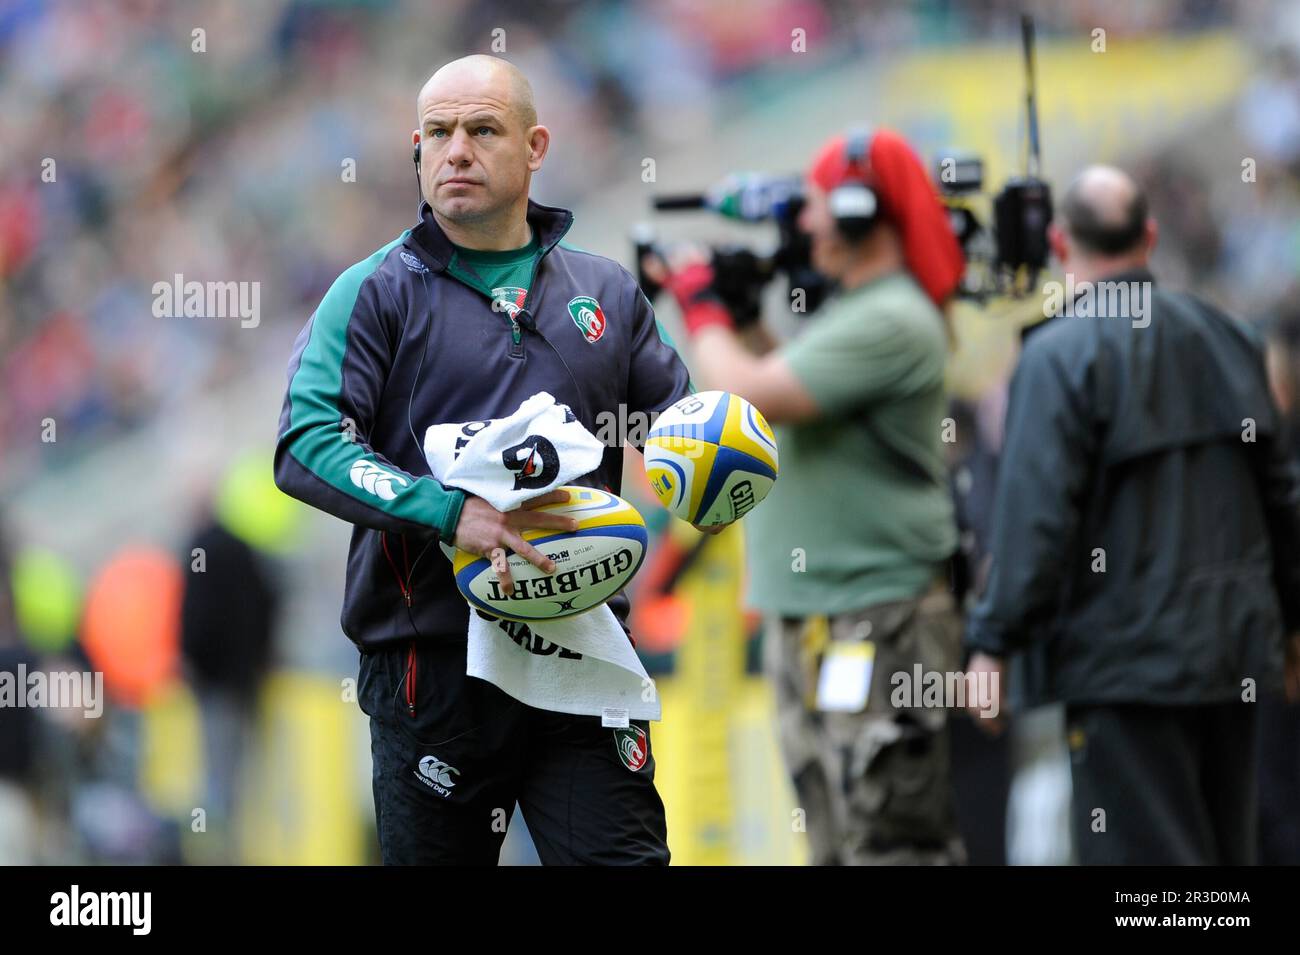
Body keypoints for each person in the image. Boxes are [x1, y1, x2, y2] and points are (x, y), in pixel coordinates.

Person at [273, 55, 691, 865]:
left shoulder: (606, 293)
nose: (455, 150)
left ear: (535, 147)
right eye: (437, 133)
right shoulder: (372, 292)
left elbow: (681, 435)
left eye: (481, 130)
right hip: (431, 670)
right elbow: (306, 443)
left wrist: (717, 469)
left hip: (582, 649)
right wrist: (450, 511)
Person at [649, 127, 968, 864]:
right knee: (834, 841)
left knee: (893, 840)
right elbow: (792, 381)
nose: (805, 223)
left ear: (861, 214)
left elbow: (748, 395)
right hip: (827, 618)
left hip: (875, 620)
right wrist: (747, 316)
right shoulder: (860, 313)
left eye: (820, 205)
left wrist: (701, 307)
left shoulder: (891, 316)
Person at [964, 165, 1300, 865]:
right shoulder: (1229, 336)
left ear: (1060, 244)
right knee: (1223, 861)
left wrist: (993, 643)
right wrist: (1292, 626)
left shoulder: (1055, 357)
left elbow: (1036, 524)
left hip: (1123, 672)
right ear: (1149, 235)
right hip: (1233, 655)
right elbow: (1282, 498)